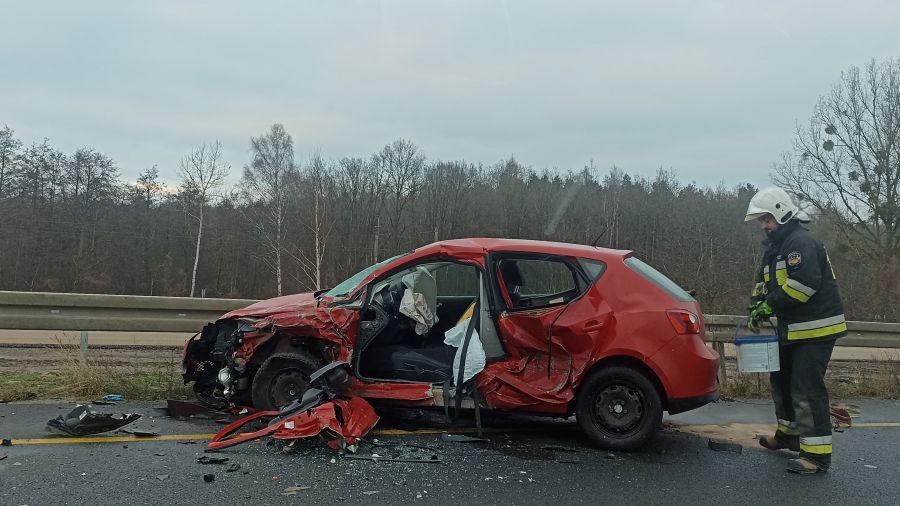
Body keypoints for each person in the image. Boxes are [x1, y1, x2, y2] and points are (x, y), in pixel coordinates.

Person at [744, 186, 846, 474]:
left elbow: (803, 285)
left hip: (815, 329)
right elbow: (764, 284)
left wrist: (770, 305)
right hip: (792, 329)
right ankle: (788, 434)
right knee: (781, 380)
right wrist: (755, 306)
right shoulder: (775, 247)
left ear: (780, 212)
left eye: (766, 219)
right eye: (761, 221)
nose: (764, 226)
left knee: (805, 388)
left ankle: (817, 456)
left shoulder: (801, 242)